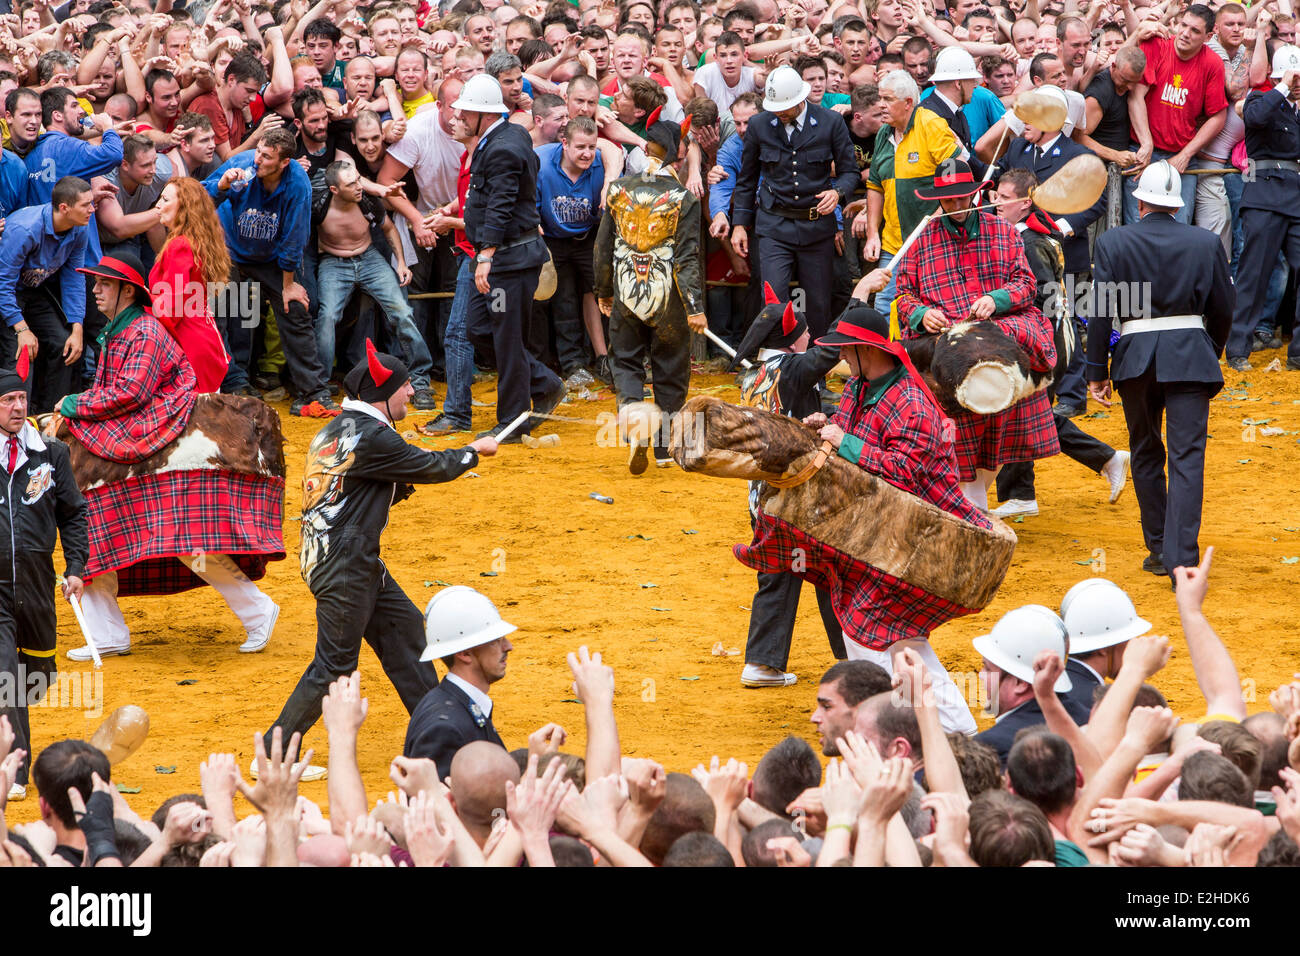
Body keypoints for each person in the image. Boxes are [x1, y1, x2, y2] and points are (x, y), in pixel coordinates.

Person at [262, 342, 498, 776]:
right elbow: (428, 466)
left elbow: (371, 484)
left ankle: (445, 735)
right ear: (382, 391)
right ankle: (274, 758)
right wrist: (472, 452)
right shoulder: (371, 435)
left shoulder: (339, 429)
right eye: (404, 384)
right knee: (334, 667)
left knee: (409, 642)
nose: (411, 391)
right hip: (346, 565)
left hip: (349, 561)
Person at [768, 300, 992, 734]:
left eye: (844, 350)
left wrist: (845, 442)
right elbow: (852, 429)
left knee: (874, 635)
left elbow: (906, 472)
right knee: (894, 640)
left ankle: (897, 729)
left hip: (914, 541)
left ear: (864, 351)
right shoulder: (860, 387)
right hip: (878, 539)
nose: (839, 359)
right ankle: (948, 731)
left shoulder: (911, 402)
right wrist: (828, 426)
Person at [58, 252, 280, 661]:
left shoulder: (143, 331)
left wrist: (75, 404)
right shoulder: (122, 330)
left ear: (127, 291)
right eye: (96, 283)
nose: (95, 290)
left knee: (186, 539)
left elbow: (132, 393)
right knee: (94, 525)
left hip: (160, 446)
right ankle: (107, 632)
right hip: (146, 445)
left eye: (103, 284)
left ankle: (258, 610)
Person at [1087, 162, 1234, 579]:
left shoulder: (1114, 242)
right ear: (1177, 204)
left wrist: (1096, 368)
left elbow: (1099, 311)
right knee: (1188, 458)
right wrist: (1211, 348)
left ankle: (1157, 549)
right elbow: (1224, 307)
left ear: (1139, 201)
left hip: (1135, 358)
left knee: (1146, 452)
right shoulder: (1206, 243)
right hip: (1190, 355)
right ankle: (1181, 561)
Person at [895, 160, 1060, 511]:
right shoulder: (921, 238)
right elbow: (904, 296)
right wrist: (922, 314)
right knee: (959, 417)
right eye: (947, 200)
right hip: (946, 349)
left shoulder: (1002, 232)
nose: (954, 206)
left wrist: (994, 299)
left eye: (960, 198)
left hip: (998, 337)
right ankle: (971, 505)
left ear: (974, 194)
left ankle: (984, 499)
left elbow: (1026, 285)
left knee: (1000, 410)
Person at [990, 168, 1129, 517]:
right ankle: (1104, 459)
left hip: (1042, 341)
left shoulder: (1031, 243)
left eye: (1004, 198)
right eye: (996, 196)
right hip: (1046, 337)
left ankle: (1023, 493)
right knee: (1027, 414)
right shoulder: (1033, 235)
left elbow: (1041, 298)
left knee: (1020, 412)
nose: (996, 203)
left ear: (1025, 204)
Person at [732, 283, 850, 687]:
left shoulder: (753, 375)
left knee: (782, 570)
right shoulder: (791, 368)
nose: (810, 336)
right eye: (803, 331)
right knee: (834, 569)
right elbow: (831, 350)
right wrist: (861, 296)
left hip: (762, 498)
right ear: (790, 338)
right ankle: (853, 658)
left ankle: (762, 663)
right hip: (801, 498)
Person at [455, 74, 566, 444]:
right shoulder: (508, 135)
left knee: (504, 337)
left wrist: (485, 255)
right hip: (502, 258)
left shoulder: (501, 147)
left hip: (506, 261)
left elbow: (500, 204)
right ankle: (544, 382)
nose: (458, 118)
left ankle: (513, 422)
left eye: (465, 112)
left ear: (484, 116)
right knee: (480, 329)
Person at [595, 111, 705, 470]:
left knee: (625, 359)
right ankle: (663, 447)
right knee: (670, 366)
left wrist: (604, 290)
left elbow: (603, 246)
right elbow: (687, 258)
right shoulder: (683, 198)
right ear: (678, 152)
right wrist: (694, 307)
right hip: (668, 296)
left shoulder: (618, 190)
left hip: (626, 287)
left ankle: (633, 417)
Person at [203, 127, 339, 417]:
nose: (258, 161)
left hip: (272, 257)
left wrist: (288, 285)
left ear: (283, 162)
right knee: (223, 312)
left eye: (266, 157)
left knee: (295, 308)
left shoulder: (297, 183)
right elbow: (199, 197)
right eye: (259, 152)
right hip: (229, 249)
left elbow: (294, 237)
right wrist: (223, 185)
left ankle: (312, 390)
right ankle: (233, 382)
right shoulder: (241, 164)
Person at [0, 364, 87, 801]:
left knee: (33, 680)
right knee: (4, 677)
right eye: (7, 401)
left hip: (37, 584)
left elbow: (72, 513)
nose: (18, 407)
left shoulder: (50, 454)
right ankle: (15, 772)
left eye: (21, 399)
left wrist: (75, 566)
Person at [731, 65, 858, 341]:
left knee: (818, 304)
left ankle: (813, 372)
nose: (780, 113)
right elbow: (747, 179)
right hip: (774, 225)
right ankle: (775, 364)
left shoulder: (830, 123)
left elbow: (851, 172)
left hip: (816, 227)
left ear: (801, 98)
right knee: (774, 301)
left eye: (785, 107)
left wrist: (837, 194)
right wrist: (739, 225)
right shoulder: (759, 125)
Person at [312, 160, 434, 402]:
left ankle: (420, 379)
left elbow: (388, 229)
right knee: (326, 317)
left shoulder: (367, 201)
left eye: (359, 179)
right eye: (351, 184)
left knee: (401, 311)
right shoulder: (319, 206)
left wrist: (400, 262)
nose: (359, 186)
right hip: (334, 262)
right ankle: (319, 385)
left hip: (369, 258)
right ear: (335, 190)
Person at [856, 69, 961, 315]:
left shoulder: (931, 125)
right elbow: (874, 186)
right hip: (894, 242)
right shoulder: (883, 132)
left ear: (908, 103)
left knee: (933, 306)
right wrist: (873, 234)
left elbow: (958, 176)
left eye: (887, 99)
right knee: (884, 306)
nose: (880, 105)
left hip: (935, 241)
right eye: (880, 98)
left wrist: (939, 215)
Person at [1224, 46, 1300, 373]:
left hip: (1296, 195)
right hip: (1265, 192)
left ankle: (1298, 352)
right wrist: (1281, 87)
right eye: (1293, 76)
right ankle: (1237, 348)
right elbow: (1255, 119)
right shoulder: (1259, 99)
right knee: (1254, 275)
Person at [1123, 10, 1228, 225]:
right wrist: (1147, 143)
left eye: (1195, 30)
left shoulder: (1212, 63)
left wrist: (1186, 154)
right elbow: (1135, 96)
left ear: (1208, 37)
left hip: (1182, 156)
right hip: (1142, 150)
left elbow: (1218, 115)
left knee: (1178, 227)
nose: (1185, 33)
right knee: (1138, 226)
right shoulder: (1157, 45)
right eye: (1183, 25)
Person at [403, 586, 516, 781]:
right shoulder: (444, 730)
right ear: (464, 654)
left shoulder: (457, 705)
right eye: (495, 640)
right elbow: (435, 806)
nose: (508, 647)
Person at [0, 176, 92, 413]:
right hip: (7, 296)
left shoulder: (79, 229)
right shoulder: (25, 230)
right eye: (86, 205)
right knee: (23, 353)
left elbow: (74, 277)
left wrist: (77, 328)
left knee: (65, 344)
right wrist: (22, 329)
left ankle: (52, 417)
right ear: (64, 208)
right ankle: (20, 425)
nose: (92, 209)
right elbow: (2, 284)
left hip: (35, 291)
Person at [973, 604, 1091, 764]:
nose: (980, 675)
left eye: (987, 669)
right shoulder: (1085, 715)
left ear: (1020, 683)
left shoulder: (994, 745)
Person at [150, 177, 232, 393]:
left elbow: (171, 308)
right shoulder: (195, 242)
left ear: (184, 207)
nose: (158, 205)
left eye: (165, 199)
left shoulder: (179, 245)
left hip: (187, 344)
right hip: (202, 337)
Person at [1058, 577, 1152, 715]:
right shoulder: (1101, 703)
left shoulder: (1050, 682)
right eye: (1128, 639)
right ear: (1102, 649)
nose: (1132, 645)